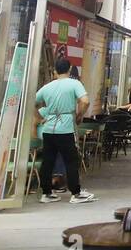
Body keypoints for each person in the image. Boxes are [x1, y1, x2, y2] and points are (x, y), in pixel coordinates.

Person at [34, 57, 97, 204]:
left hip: (49, 129)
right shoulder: (74, 84)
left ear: (55, 71)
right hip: (66, 128)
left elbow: (32, 101)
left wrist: (38, 117)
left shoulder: (47, 87)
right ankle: (76, 193)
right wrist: (80, 115)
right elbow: (85, 101)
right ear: (69, 69)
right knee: (71, 161)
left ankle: (46, 193)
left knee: (48, 161)